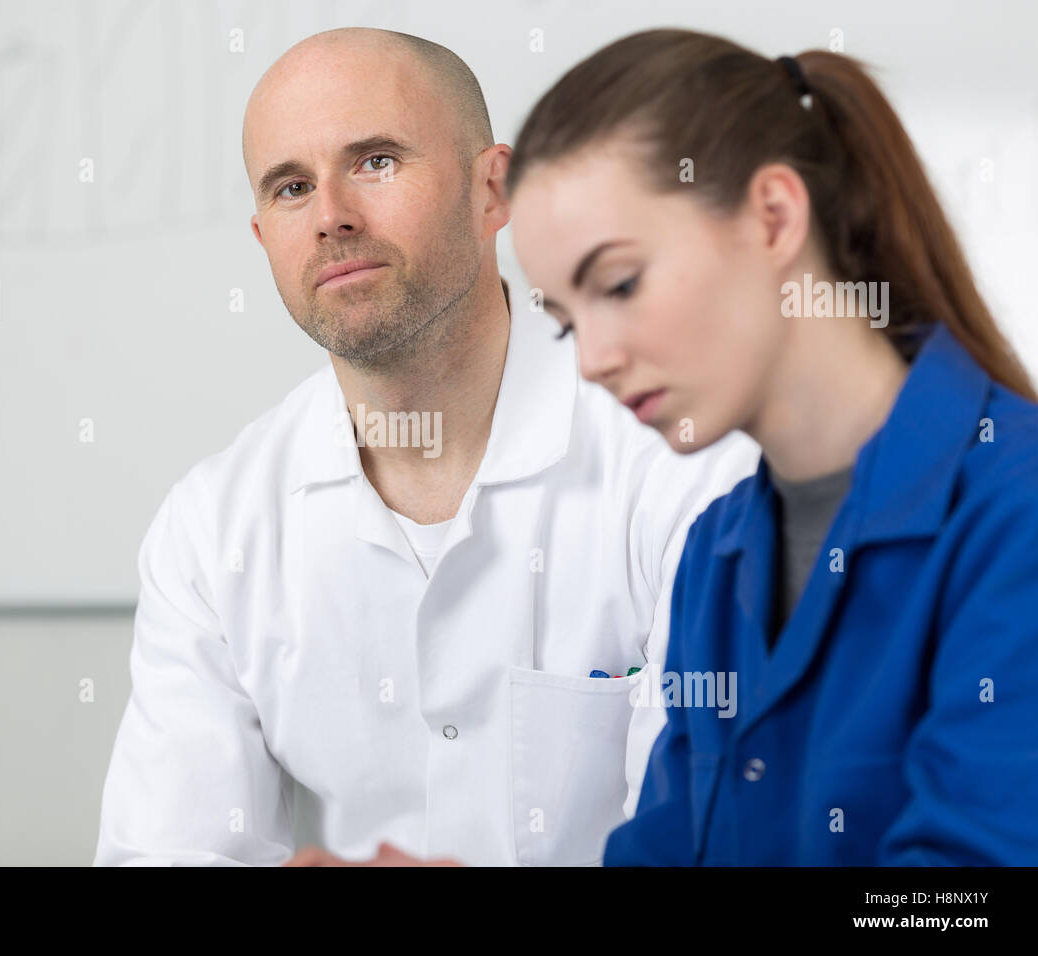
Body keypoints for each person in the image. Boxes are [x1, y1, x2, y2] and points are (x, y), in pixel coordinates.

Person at [93, 27, 758, 866]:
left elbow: (722, 844)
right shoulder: (211, 530)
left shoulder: (683, 461)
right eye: (292, 186)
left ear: (493, 190)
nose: (332, 216)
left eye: (375, 161)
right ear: (265, 239)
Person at [505, 27, 1038, 865]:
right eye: (568, 321)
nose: (594, 359)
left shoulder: (1016, 513)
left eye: (619, 285)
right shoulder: (716, 556)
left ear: (775, 215)